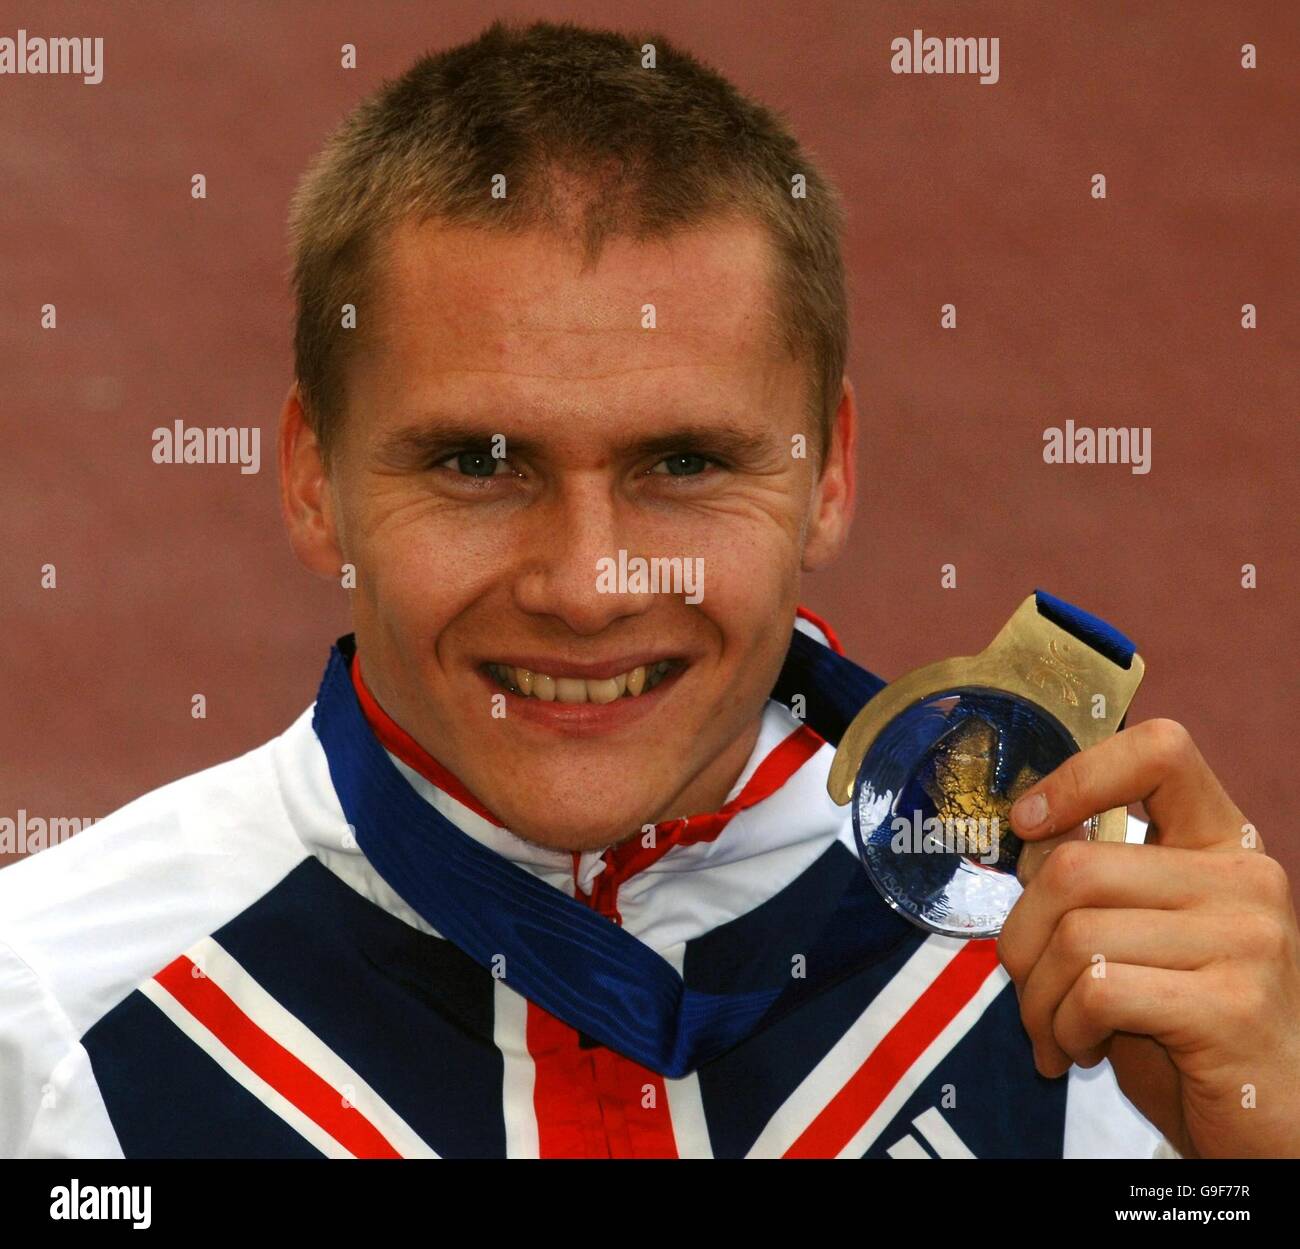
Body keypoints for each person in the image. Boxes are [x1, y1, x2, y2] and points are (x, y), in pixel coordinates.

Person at [2, 19, 1296, 1159]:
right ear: (310, 478)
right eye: (476, 463)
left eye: (684, 463)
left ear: (830, 472)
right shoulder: (55, 1018)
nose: (588, 584)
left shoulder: (1081, 949)